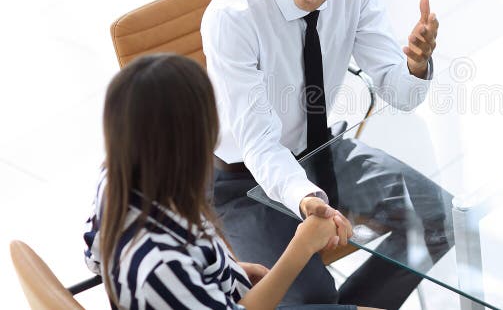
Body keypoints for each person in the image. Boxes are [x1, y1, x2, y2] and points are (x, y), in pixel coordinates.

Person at [201, 0, 453, 309]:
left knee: (440, 218)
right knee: (310, 296)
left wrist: (415, 66)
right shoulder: (234, 17)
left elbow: (398, 92)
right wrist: (309, 200)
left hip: (320, 150)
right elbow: (260, 144)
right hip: (240, 180)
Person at [83, 54, 380, 310]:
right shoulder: (160, 264)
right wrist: (302, 246)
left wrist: (226, 271)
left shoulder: (115, 178)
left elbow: (94, 255)